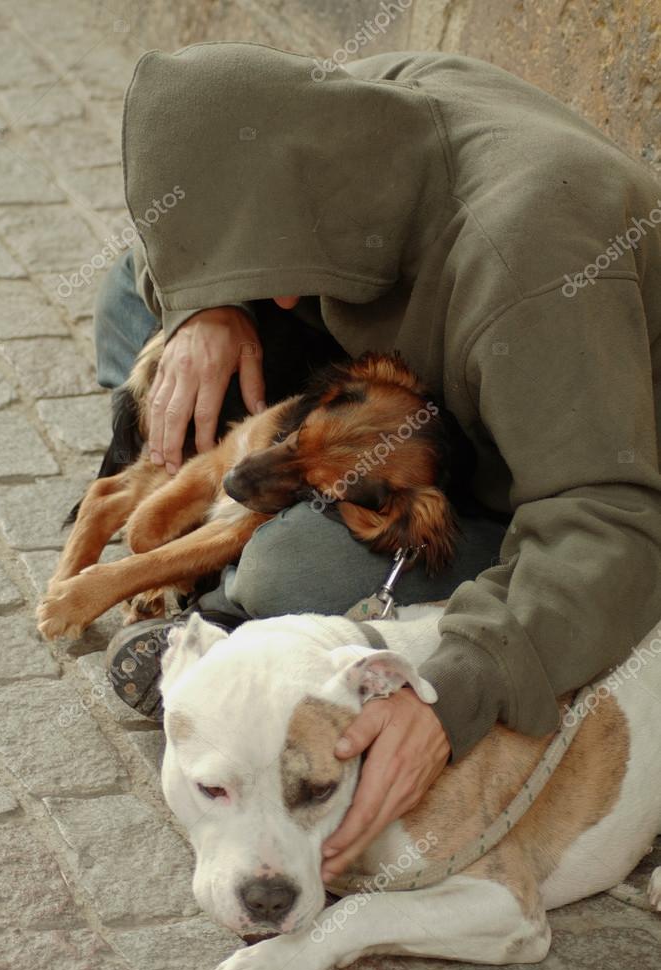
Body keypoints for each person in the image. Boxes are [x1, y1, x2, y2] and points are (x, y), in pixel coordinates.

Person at [95, 42, 661, 884]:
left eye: (270, 272)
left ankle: (230, 615)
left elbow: (612, 521)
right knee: (125, 295)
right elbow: (200, 207)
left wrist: (464, 691)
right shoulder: (366, 106)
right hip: (409, 408)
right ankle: (208, 489)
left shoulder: (526, 268)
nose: (278, 297)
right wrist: (205, 302)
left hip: (560, 493)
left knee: (290, 568)